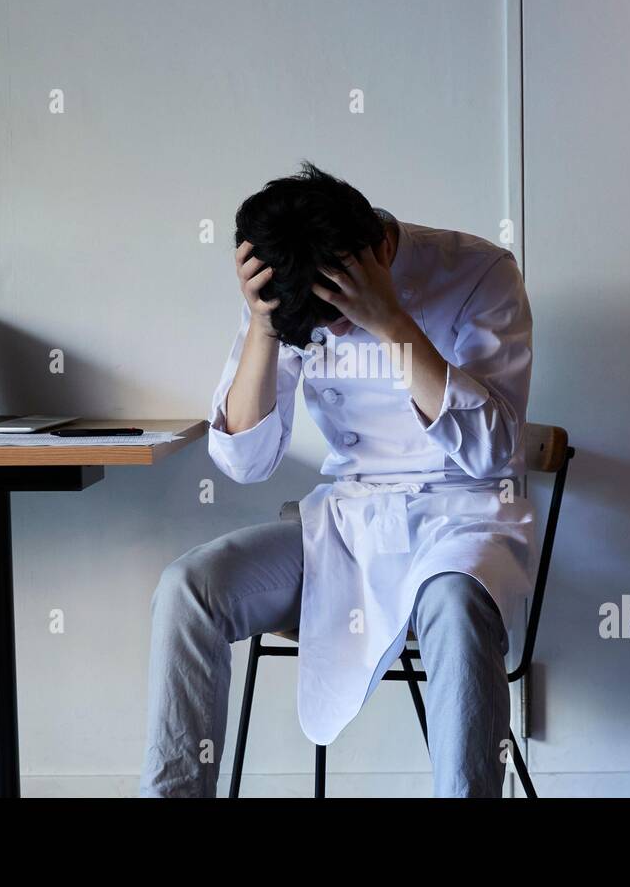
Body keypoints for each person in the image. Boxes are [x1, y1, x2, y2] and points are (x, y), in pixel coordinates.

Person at [141, 163, 534, 797]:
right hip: (345, 524)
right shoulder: (289, 286)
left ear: (379, 248)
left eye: (341, 317)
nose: (335, 332)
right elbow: (245, 462)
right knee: (189, 589)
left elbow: (490, 453)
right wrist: (266, 329)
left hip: (463, 518)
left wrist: (389, 322)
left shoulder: (481, 272)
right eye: (321, 328)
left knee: (456, 607)